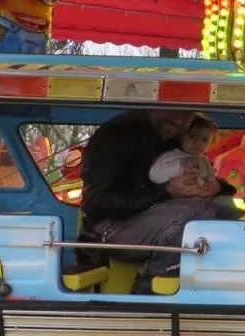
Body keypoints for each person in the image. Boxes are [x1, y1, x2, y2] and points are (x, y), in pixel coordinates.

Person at [79, 109, 236, 294]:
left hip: (160, 216)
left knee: (224, 208)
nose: (179, 120)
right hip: (111, 228)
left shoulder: (179, 141)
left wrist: (216, 187)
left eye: (188, 115)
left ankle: (225, 286)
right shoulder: (116, 137)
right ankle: (149, 291)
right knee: (195, 213)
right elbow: (96, 203)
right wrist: (165, 191)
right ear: (153, 104)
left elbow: (209, 178)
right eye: (173, 109)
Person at [148, 114, 244, 219]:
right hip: (178, 201)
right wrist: (178, 169)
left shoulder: (202, 159)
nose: (197, 143)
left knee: (226, 203)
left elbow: (210, 178)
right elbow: (155, 175)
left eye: (204, 140)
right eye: (192, 137)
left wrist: (214, 186)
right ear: (182, 137)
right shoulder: (172, 157)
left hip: (203, 198)